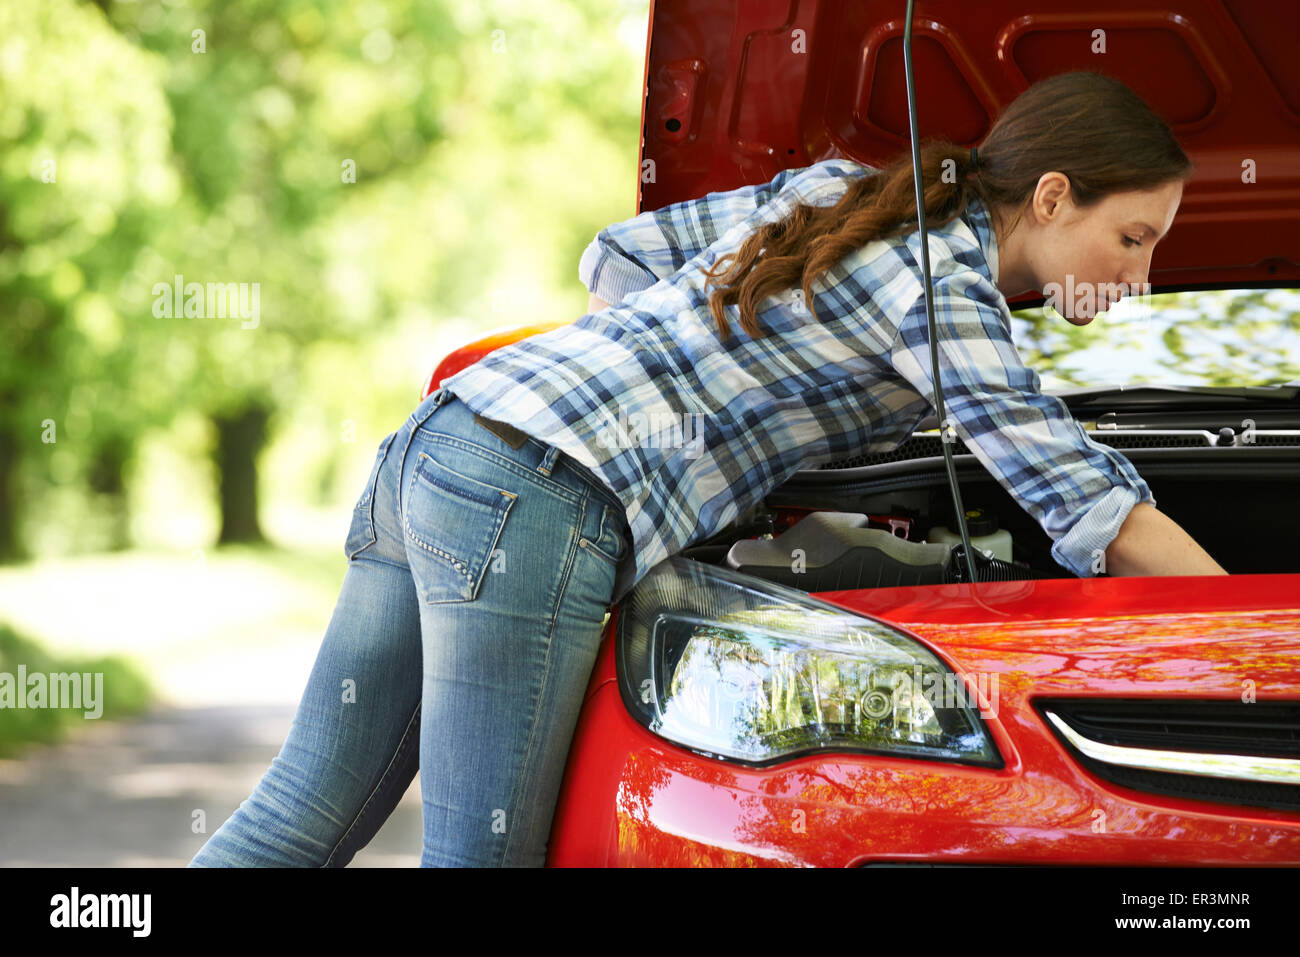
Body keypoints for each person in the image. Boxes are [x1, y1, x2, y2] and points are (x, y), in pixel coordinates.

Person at [189, 69, 1224, 869]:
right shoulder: (944, 293)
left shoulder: (841, 193)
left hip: (451, 436)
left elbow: (620, 256)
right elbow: (1088, 504)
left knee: (303, 814)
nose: (1138, 278)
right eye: (1133, 239)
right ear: (1052, 197)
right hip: (540, 496)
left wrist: (682, 382)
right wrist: (1250, 645)